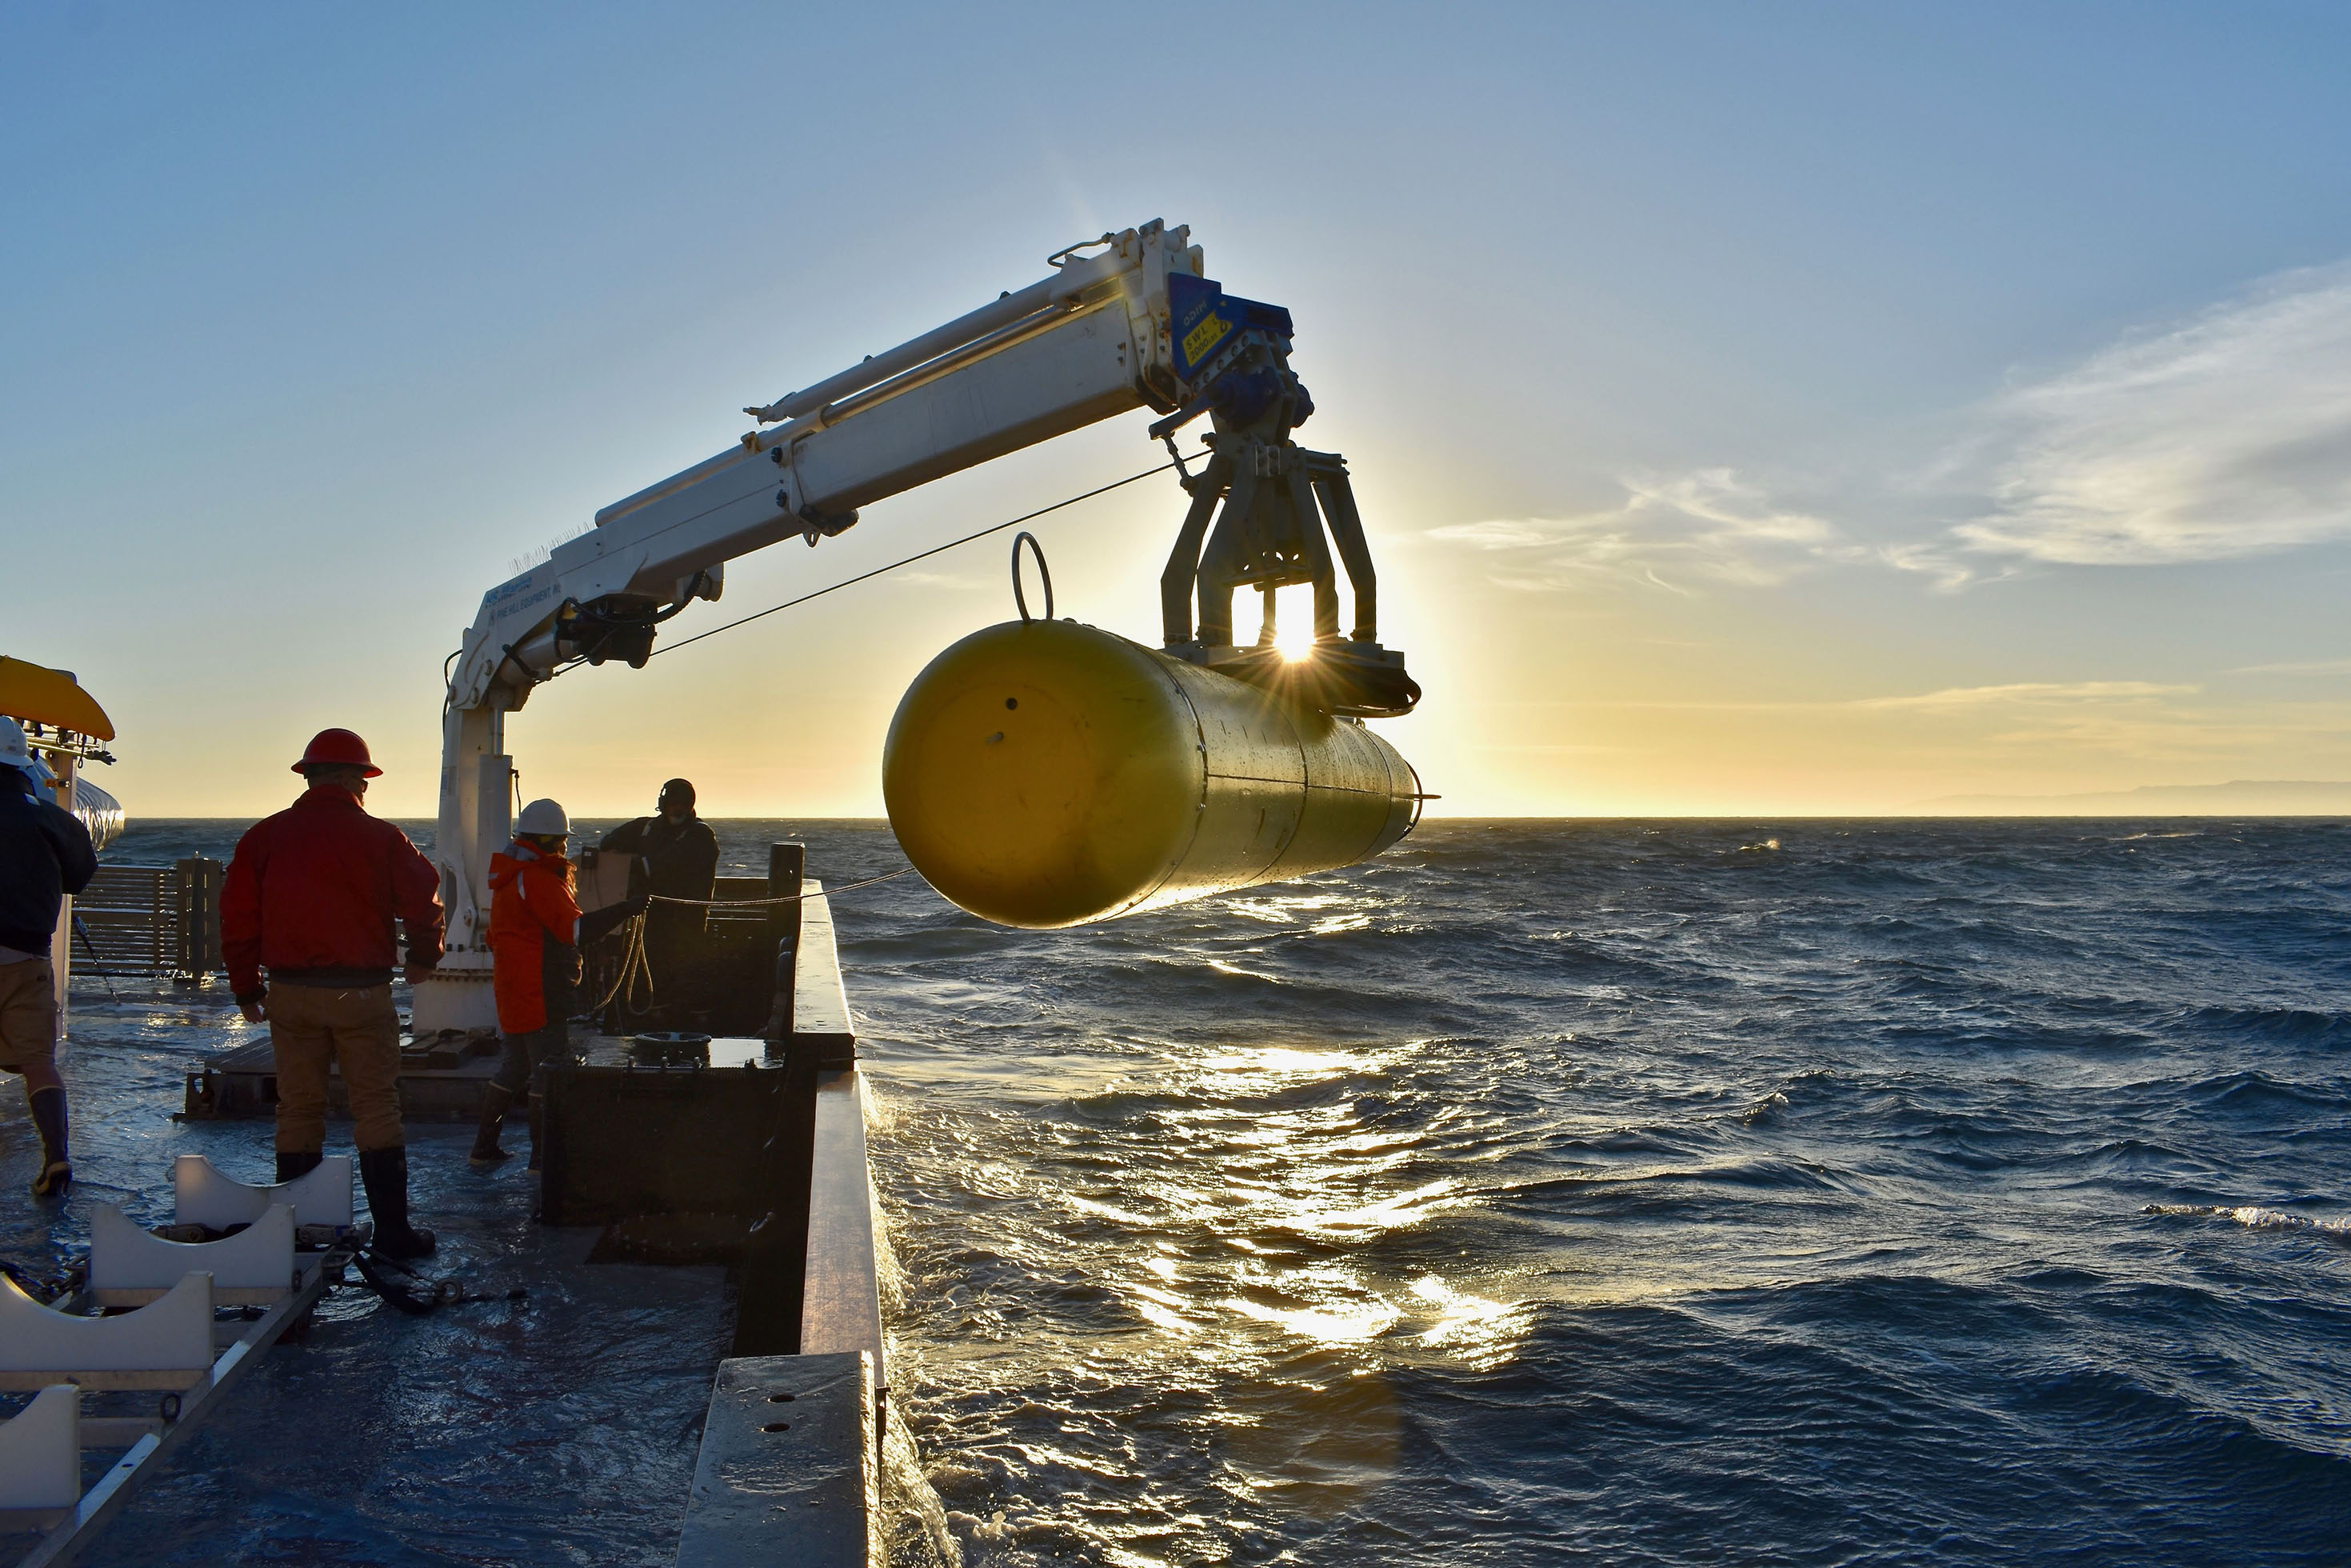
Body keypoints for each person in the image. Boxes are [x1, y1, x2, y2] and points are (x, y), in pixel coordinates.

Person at [221, 728, 444, 1258]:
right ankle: (393, 1235)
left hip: (291, 994)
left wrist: (246, 988)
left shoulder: (264, 837)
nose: (365, 790)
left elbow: (238, 919)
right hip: (361, 995)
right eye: (364, 780)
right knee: (377, 1108)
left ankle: (297, 1231)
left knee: (298, 1109)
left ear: (309, 776)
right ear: (349, 779)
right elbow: (424, 900)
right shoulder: (383, 838)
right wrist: (423, 957)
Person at [470, 798, 639, 1167]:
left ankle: (483, 1149)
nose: (565, 847)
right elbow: (576, 931)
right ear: (549, 841)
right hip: (540, 990)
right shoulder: (538, 879)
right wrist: (624, 909)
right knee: (549, 1072)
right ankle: (543, 1160)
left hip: (513, 987)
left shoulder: (510, 877)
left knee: (515, 1066)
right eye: (562, 840)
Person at [0, 717, 97, 1198]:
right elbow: (79, 874)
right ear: (22, 765)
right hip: (26, 955)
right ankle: (56, 1156)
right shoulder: (50, 817)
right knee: (39, 1061)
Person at [597, 778, 718, 1000]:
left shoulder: (701, 835)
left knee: (682, 981)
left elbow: (666, 868)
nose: (678, 808)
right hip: (649, 919)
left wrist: (636, 862)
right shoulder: (645, 828)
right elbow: (608, 843)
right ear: (663, 804)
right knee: (648, 978)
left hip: (685, 924)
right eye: (673, 803)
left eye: (683, 803)